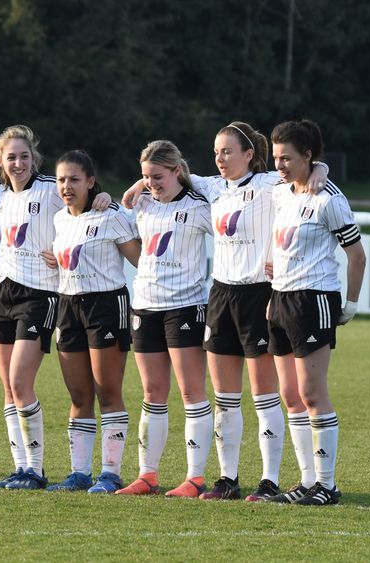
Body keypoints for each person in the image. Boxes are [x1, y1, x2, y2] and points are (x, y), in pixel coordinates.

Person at [121, 122, 329, 501]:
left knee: (264, 396)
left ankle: (268, 480)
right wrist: (139, 184)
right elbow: (172, 175)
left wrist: (321, 169)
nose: (220, 158)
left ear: (249, 154)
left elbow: (302, 174)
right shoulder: (212, 187)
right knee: (225, 398)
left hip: (258, 295)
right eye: (217, 151)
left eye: (228, 151)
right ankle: (227, 479)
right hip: (220, 296)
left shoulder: (268, 184)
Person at [0, 126, 111, 490]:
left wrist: (105, 198)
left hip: (40, 294)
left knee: (20, 381)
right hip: (2, 293)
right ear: (0, 161)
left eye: (24, 156)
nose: (18, 163)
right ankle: (21, 467)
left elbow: (83, 202)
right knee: (8, 388)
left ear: (34, 158)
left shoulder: (50, 189)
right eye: (11, 157)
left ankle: (36, 471)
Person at [265, 119, 365, 505]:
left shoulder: (329, 199)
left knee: (311, 392)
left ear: (307, 156)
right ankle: (307, 482)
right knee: (290, 395)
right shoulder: (280, 192)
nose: (279, 165)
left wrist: (350, 304)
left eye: (286, 158)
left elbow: (356, 255)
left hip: (314, 299)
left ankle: (327, 485)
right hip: (280, 299)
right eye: (276, 158)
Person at [112, 141, 214, 497]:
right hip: (145, 307)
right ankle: (147, 475)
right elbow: (116, 219)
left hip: (186, 307)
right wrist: (130, 189)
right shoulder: (141, 203)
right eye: (145, 177)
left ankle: (195, 477)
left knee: (190, 392)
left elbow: (235, 230)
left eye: (158, 176)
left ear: (177, 171)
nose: (151, 183)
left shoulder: (199, 206)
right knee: (153, 392)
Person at [45, 150, 140, 494]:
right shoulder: (59, 219)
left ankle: (110, 473)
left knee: (108, 391)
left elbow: (140, 258)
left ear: (90, 181)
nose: (66, 186)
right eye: (61, 180)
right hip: (68, 306)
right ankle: (79, 473)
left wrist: (116, 204)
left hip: (106, 305)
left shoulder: (109, 214)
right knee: (79, 395)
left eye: (74, 179)